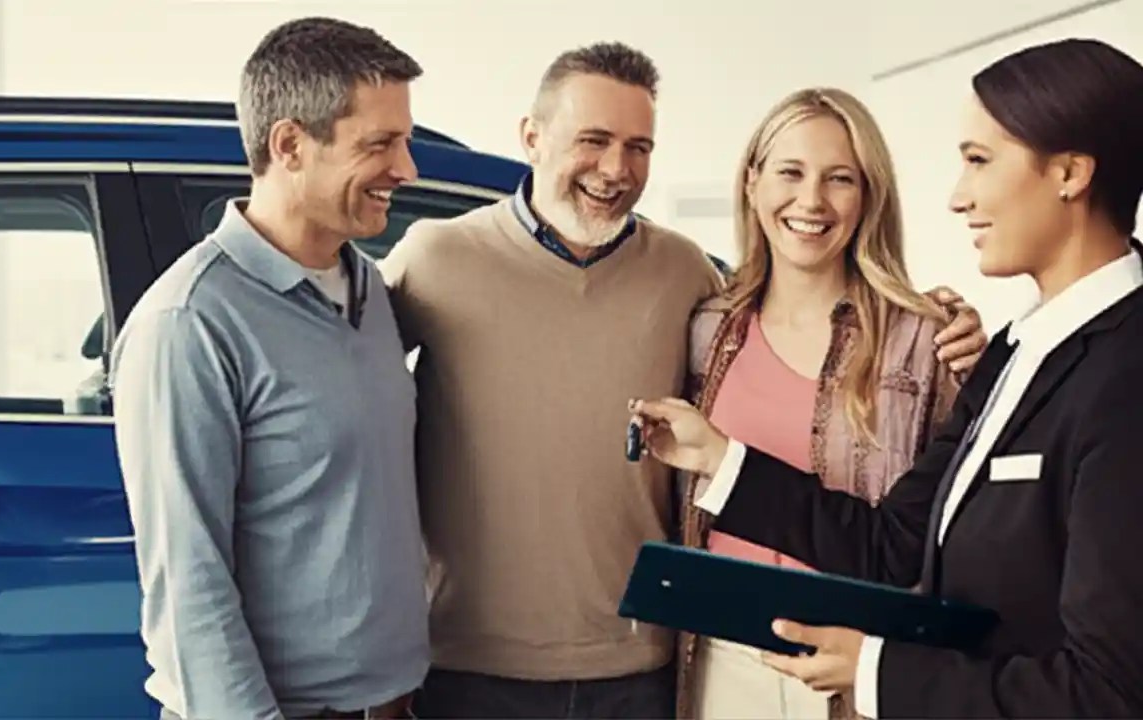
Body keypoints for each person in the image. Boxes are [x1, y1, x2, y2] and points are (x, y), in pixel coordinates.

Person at [380, 42, 986, 719]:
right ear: (532, 136)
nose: (616, 169)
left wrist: (956, 334)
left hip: (650, 665)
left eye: (638, 146)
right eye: (594, 140)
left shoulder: (686, 277)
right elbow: (337, 393)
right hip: (475, 667)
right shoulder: (436, 260)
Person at [632, 36, 1143, 719]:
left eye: (979, 161)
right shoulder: (1017, 351)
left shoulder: (1125, 377)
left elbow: (1110, 692)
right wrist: (719, 460)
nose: (959, 197)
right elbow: (893, 544)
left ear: (1070, 174)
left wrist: (876, 671)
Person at [110, 17, 428, 720]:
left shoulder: (370, 290)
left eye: (405, 141)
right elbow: (189, 590)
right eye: (380, 144)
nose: (407, 169)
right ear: (289, 145)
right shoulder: (188, 323)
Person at [675, 87, 964, 720]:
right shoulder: (707, 327)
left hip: (855, 668)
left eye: (840, 179)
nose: (811, 201)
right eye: (790, 172)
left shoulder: (925, 337)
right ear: (752, 183)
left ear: (869, 198)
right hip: (719, 656)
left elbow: (955, 531)